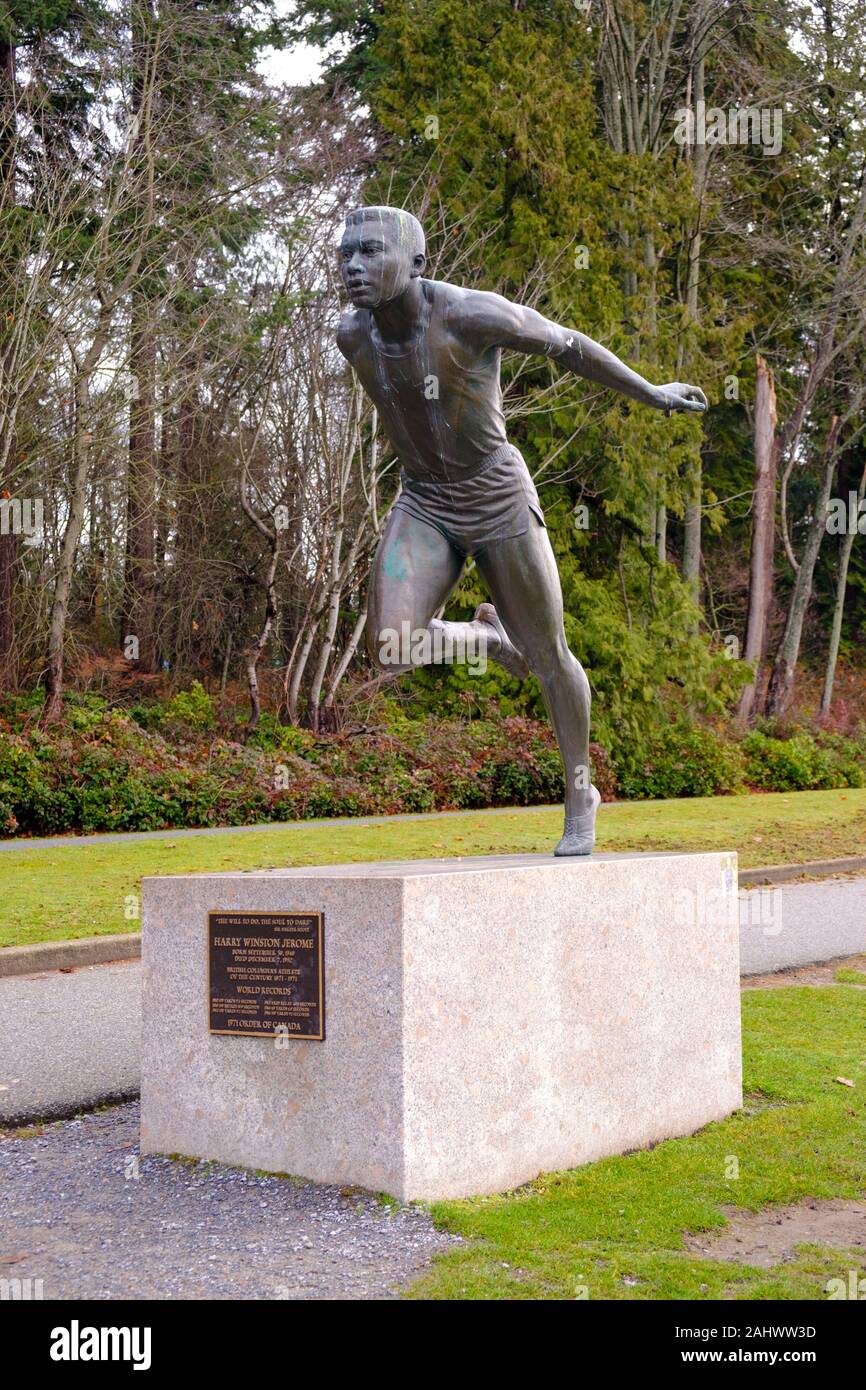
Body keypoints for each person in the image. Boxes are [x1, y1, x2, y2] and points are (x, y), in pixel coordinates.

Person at [337, 206, 707, 854]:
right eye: (346, 254)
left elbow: (566, 344)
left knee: (548, 656)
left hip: (497, 495)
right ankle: (481, 641)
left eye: (370, 252)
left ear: (416, 263)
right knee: (393, 647)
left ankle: (579, 794)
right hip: (424, 501)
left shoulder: (471, 315)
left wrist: (650, 391)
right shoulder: (353, 336)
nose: (353, 266)